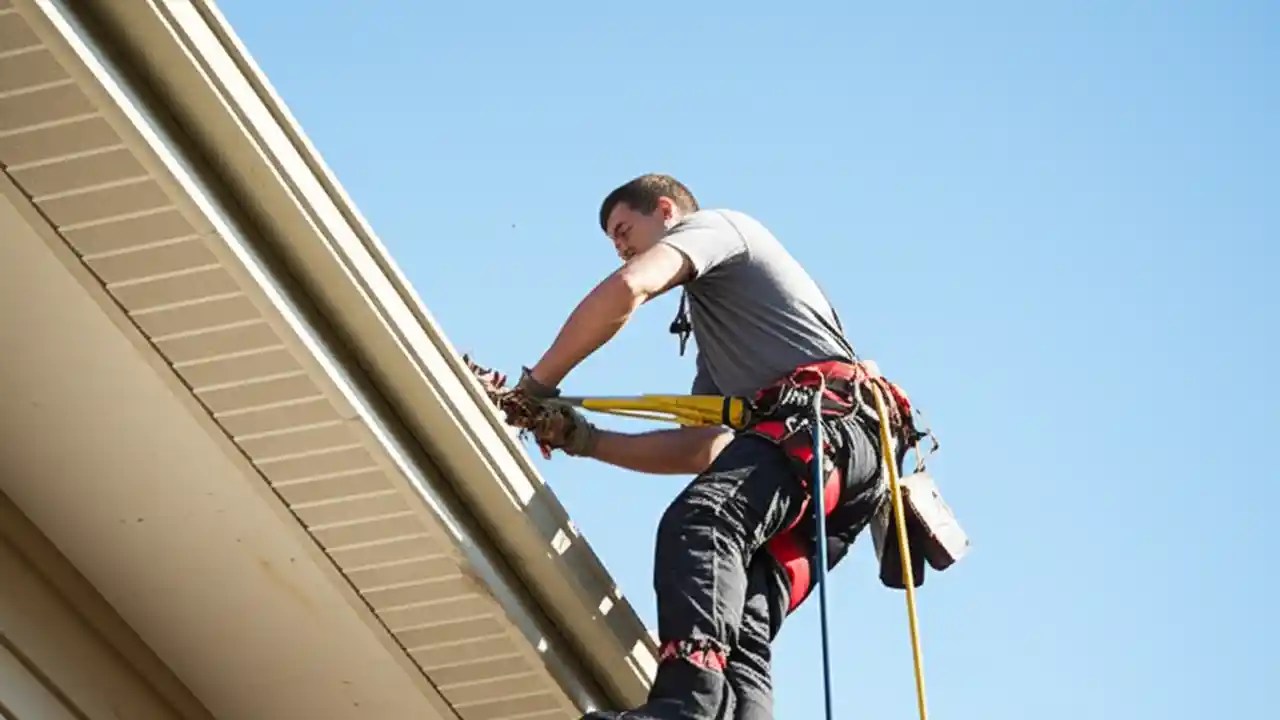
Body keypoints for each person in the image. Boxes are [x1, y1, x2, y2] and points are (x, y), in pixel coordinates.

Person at [510, 173, 918, 719]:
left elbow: (630, 287)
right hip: (844, 468)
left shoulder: (720, 227)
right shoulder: (723, 337)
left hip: (825, 431)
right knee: (744, 614)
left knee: (702, 524)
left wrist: (535, 386)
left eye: (624, 230)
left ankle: (688, 705)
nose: (621, 247)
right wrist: (585, 439)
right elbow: (702, 451)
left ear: (666, 212)